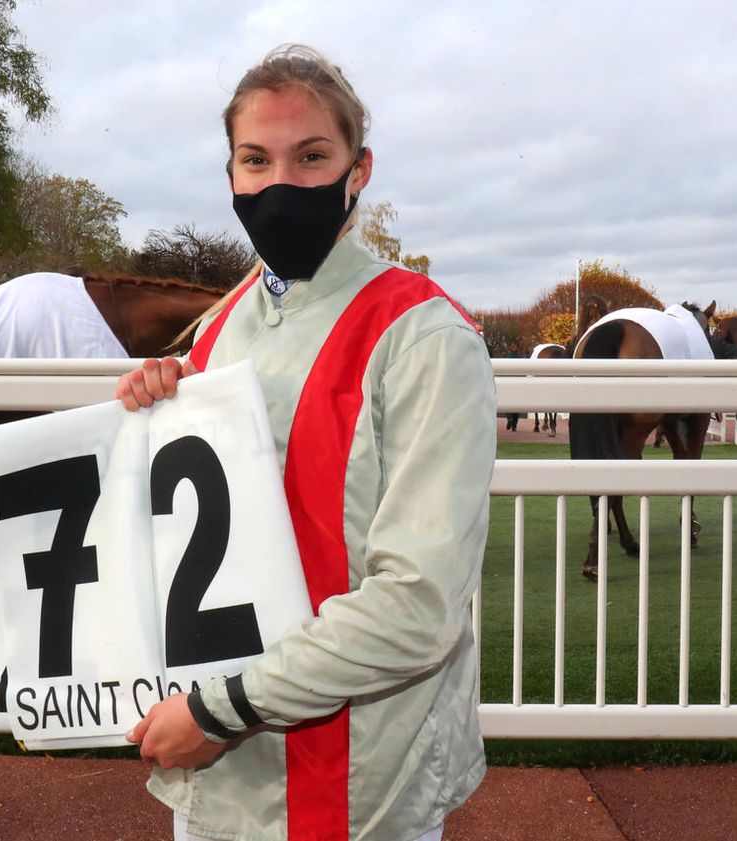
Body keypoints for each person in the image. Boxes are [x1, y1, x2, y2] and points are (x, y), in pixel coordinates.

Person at [117, 44, 495, 841]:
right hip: (217, 781)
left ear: (359, 171)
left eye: (312, 156)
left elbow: (419, 604)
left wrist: (219, 712)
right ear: (231, 175)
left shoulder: (425, 335)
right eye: (256, 159)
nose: (280, 182)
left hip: (362, 791)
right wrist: (158, 411)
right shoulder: (218, 329)